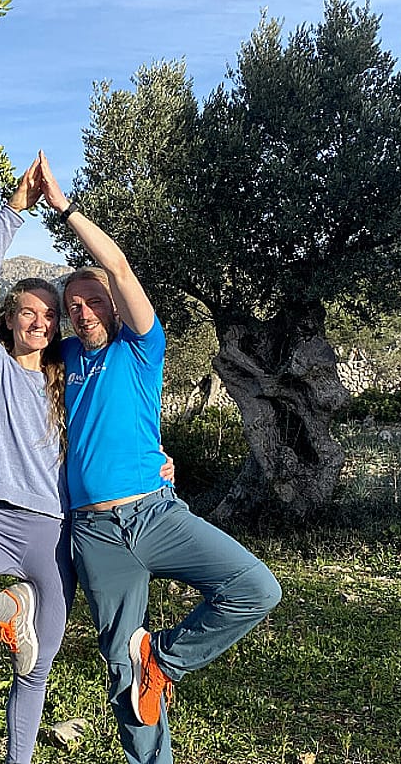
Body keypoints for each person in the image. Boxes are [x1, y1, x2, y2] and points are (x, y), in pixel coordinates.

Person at [0, 156, 175, 764]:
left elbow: (113, 422)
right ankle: (6, 607)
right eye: (29, 312)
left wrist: (158, 458)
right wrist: (14, 212)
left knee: (35, 665)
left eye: (51, 316)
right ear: (10, 321)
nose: (41, 322)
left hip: (56, 534)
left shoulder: (67, 375)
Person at [38, 152, 283, 764]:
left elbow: (117, 265)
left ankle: (165, 659)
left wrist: (63, 208)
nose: (83, 312)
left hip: (155, 513)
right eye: (73, 305)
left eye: (94, 301)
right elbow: (7, 339)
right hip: (95, 531)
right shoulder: (65, 358)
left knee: (255, 587)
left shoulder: (141, 346)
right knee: (122, 671)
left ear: (115, 306)